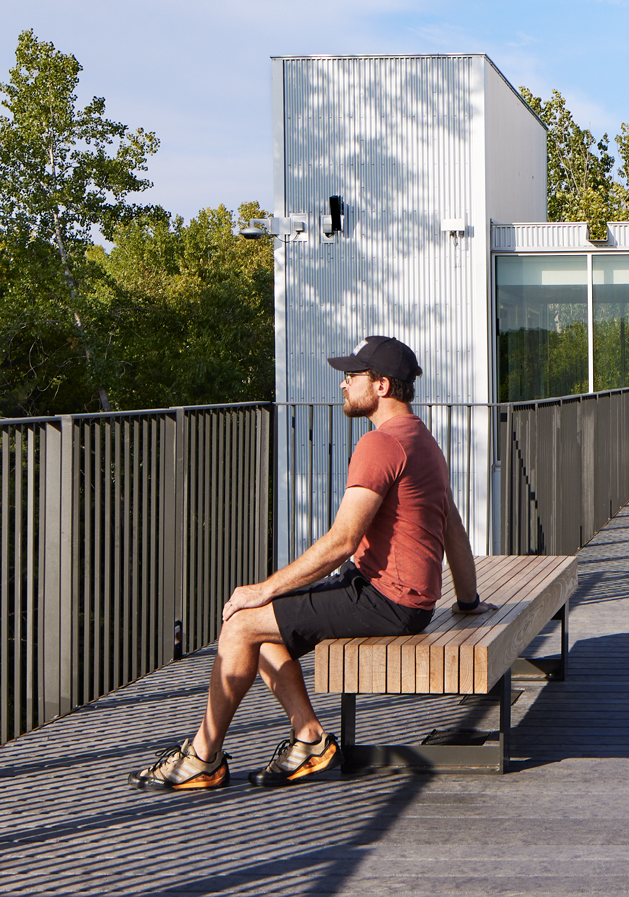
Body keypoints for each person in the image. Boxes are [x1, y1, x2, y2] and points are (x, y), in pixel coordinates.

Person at [134, 335, 490, 792]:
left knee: (241, 623)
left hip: (385, 600)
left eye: (352, 376)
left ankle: (204, 758)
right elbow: (452, 527)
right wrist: (466, 600)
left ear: (380, 386)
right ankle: (308, 738)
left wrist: (264, 587)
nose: (343, 385)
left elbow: (342, 541)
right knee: (257, 628)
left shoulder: (381, 445)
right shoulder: (423, 440)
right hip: (404, 600)